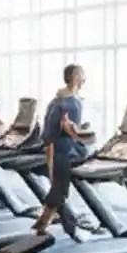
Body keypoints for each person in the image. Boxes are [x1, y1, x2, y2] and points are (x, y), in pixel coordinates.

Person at [34, 64, 88, 238]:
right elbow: (69, 128)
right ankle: (45, 224)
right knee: (60, 189)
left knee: (58, 187)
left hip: (53, 148)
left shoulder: (56, 100)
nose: (84, 79)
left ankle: (47, 221)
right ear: (74, 77)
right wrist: (83, 135)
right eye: (82, 75)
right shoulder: (72, 103)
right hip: (66, 150)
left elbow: (52, 127)